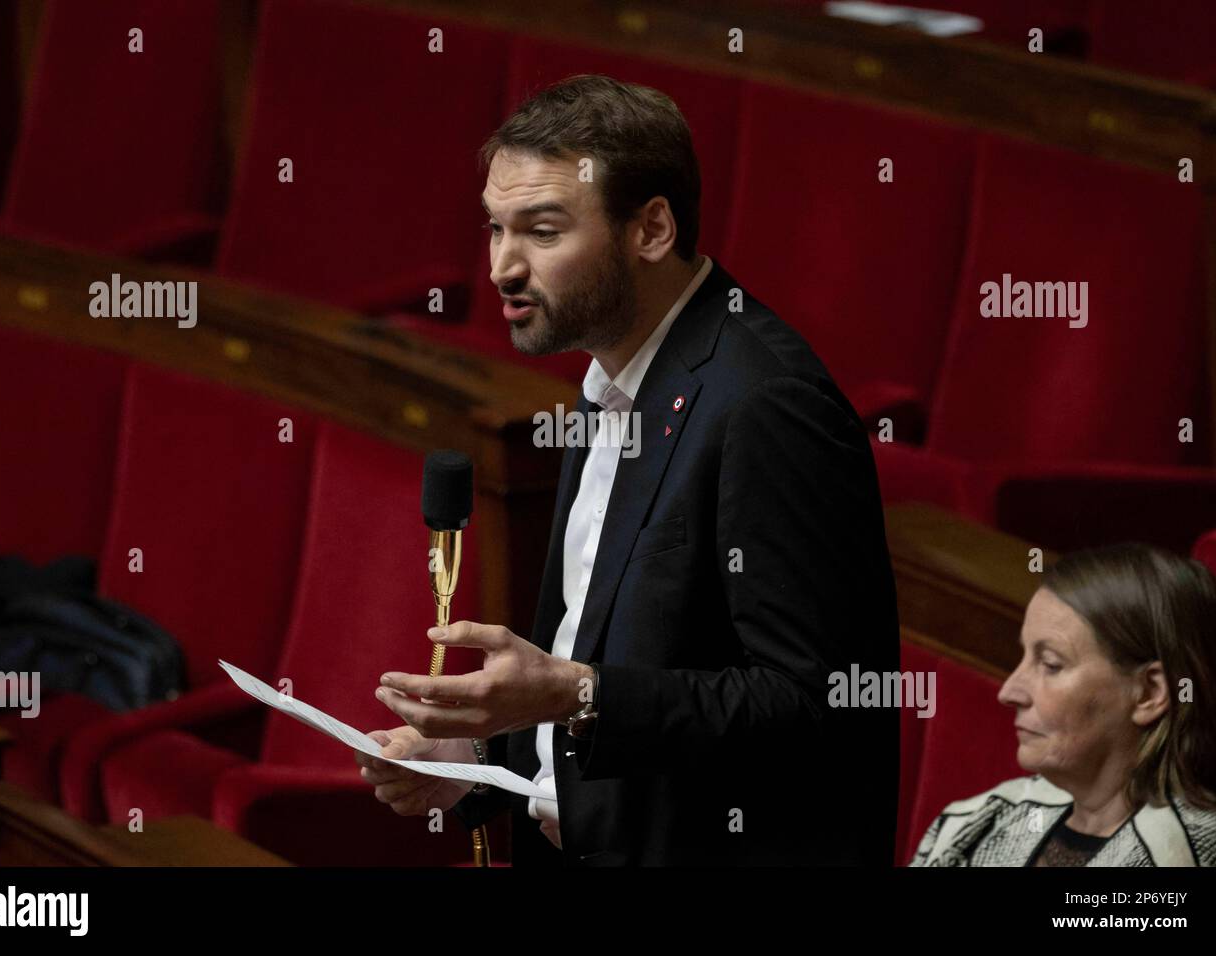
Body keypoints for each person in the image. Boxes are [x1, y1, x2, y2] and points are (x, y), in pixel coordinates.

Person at [358, 74, 899, 865]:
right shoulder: (611, 379)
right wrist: (481, 764)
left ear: (650, 229)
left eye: (542, 232)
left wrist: (575, 694)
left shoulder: (767, 405)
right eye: (494, 230)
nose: (503, 267)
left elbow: (815, 704)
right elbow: (607, 664)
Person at [912, 543, 1216, 866]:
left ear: (1149, 693)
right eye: (1023, 656)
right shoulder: (981, 821)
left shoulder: (1184, 857)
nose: (1009, 691)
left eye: (1051, 664)